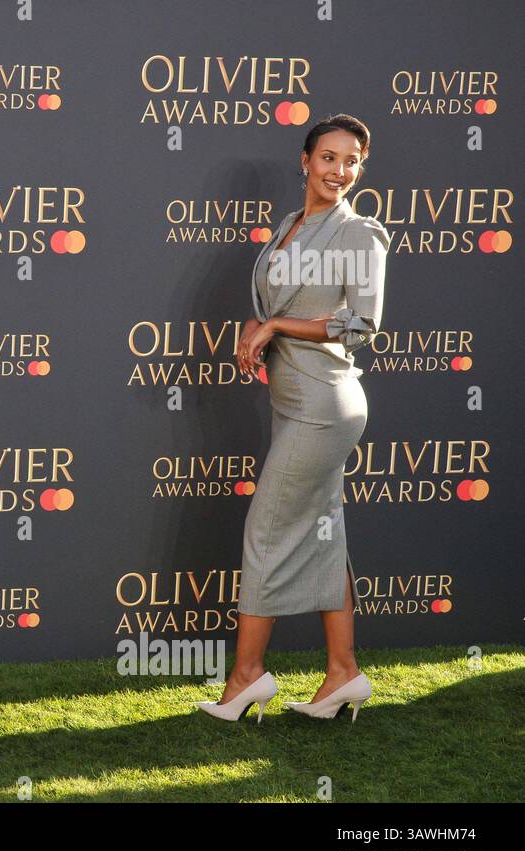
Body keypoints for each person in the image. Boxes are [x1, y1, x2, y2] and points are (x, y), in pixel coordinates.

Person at [196, 114, 392, 724]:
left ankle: (246, 677)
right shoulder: (289, 226)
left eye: (352, 160)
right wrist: (259, 324)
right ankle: (343, 672)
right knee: (323, 532)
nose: (340, 170)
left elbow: (362, 324)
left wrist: (277, 325)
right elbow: (277, 304)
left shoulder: (358, 234)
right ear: (305, 161)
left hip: (323, 404)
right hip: (292, 400)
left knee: (267, 532)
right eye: (329, 157)